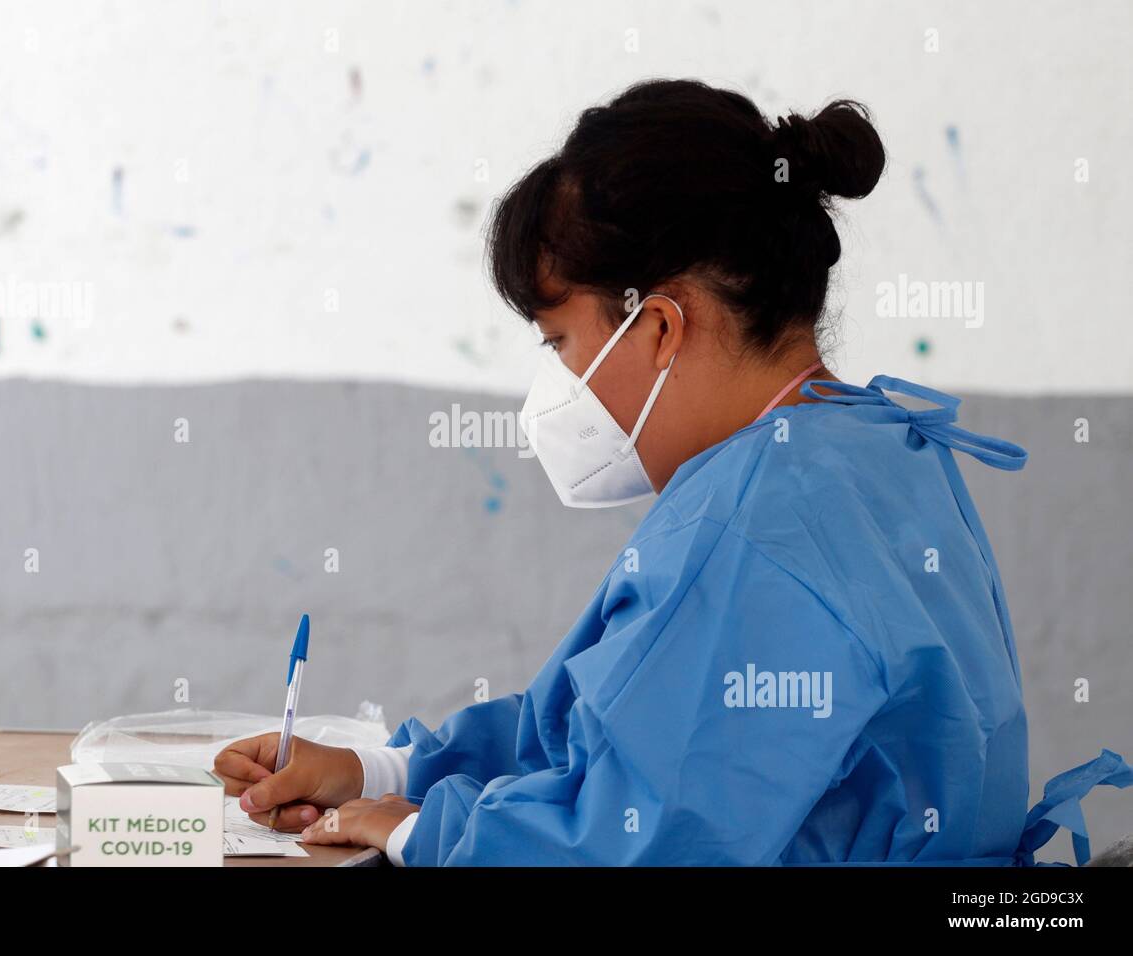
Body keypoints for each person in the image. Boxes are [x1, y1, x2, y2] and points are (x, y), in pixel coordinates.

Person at [216, 79, 1130, 865]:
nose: (560, 385)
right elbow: (595, 727)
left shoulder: (747, 530)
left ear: (660, 327)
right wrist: (387, 771)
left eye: (561, 342)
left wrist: (415, 831)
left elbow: (627, 844)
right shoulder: (885, 449)